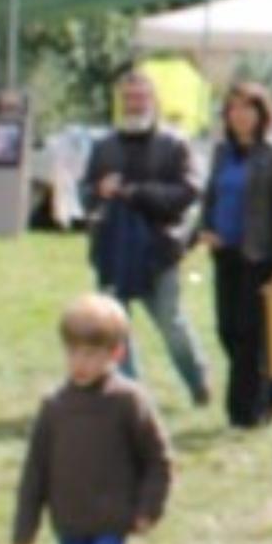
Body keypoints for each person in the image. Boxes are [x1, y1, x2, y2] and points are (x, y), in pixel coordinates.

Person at [12, 294, 171, 544]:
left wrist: (147, 508)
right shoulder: (55, 406)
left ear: (116, 353)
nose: (80, 363)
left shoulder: (127, 400)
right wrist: (25, 528)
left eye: (91, 353)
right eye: (73, 352)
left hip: (111, 520)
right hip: (69, 521)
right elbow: (36, 471)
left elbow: (158, 459)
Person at [81, 69, 210, 406]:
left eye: (140, 97)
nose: (134, 104)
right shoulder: (103, 146)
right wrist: (99, 191)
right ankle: (130, 397)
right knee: (114, 328)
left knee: (171, 322)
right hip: (113, 250)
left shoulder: (174, 144)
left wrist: (135, 193)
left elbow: (188, 191)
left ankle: (197, 381)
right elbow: (85, 194)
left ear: (153, 100)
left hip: (159, 249)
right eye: (128, 98)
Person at [198, 82, 272, 429]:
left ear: (261, 113)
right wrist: (205, 228)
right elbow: (211, 194)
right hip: (224, 252)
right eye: (233, 108)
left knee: (248, 334)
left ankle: (243, 414)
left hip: (260, 254)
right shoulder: (221, 153)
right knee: (227, 330)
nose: (240, 115)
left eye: (247, 107)